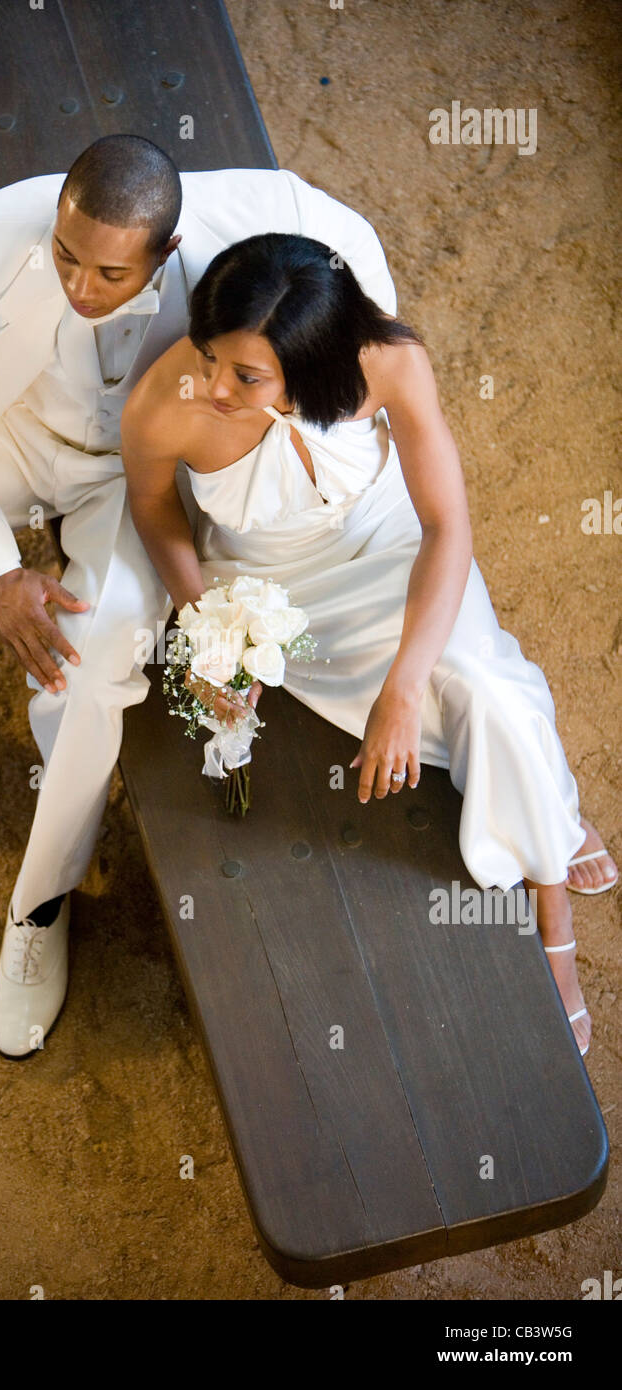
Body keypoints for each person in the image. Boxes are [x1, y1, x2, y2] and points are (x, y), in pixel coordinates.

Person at [0, 136, 402, 1058]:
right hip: (3, 437)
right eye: (66, 256)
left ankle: (40, 902)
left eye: (111, 271)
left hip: (129, 476)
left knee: (98, 669)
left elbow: (333, 229)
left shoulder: (231, 234)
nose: (81, 285)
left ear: (165, 250)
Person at [121, 232, 617, 1060]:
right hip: (289, 592)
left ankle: (552, 916)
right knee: (477, 712)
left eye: (246, 376)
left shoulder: (388, 361)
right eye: (211, 355)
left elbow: (447, 523)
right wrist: (206, 620)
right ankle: (549, 807)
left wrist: (402, 686)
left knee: (480, 686)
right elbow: (154, 511)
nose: (214, 386)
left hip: (396, 551)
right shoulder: (164, 405)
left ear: (314, 362)